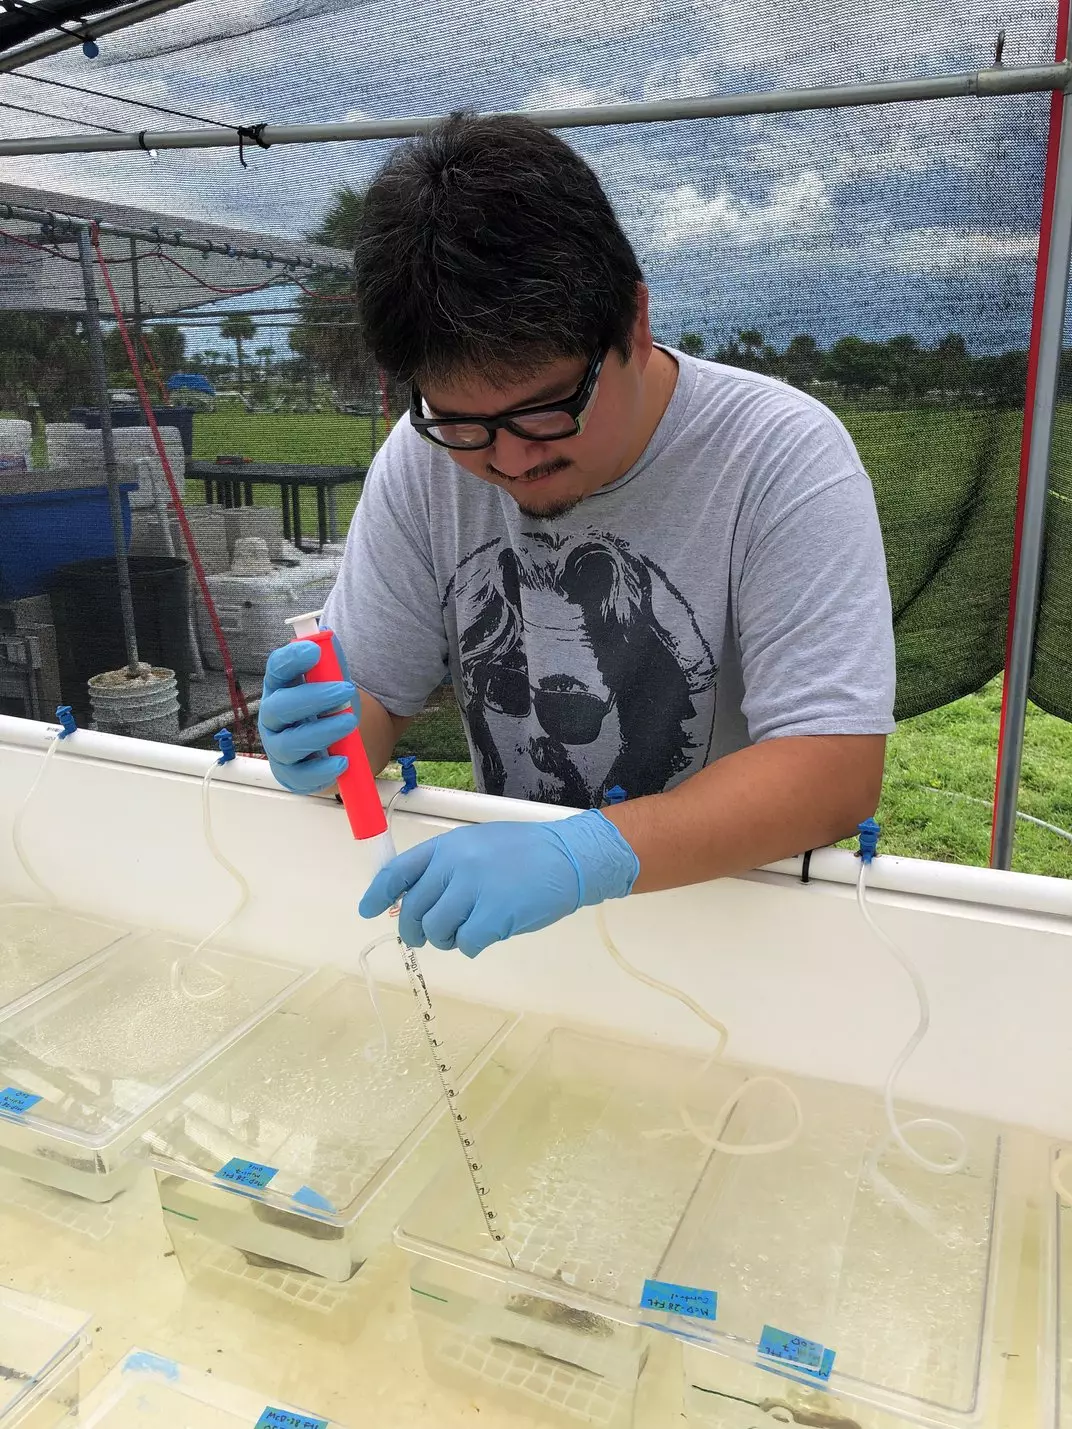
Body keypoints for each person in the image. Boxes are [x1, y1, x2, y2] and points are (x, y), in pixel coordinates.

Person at [259, 111, 896, 958]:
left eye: (547, 408)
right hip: (526, 943)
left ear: (631, 322)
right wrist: (323, 735)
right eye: (464, 423)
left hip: (736, 924)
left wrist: (585, 852)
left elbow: (832, 767)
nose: (513, 459)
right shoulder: (424, 461)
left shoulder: (778, 454)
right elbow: (368, 708)